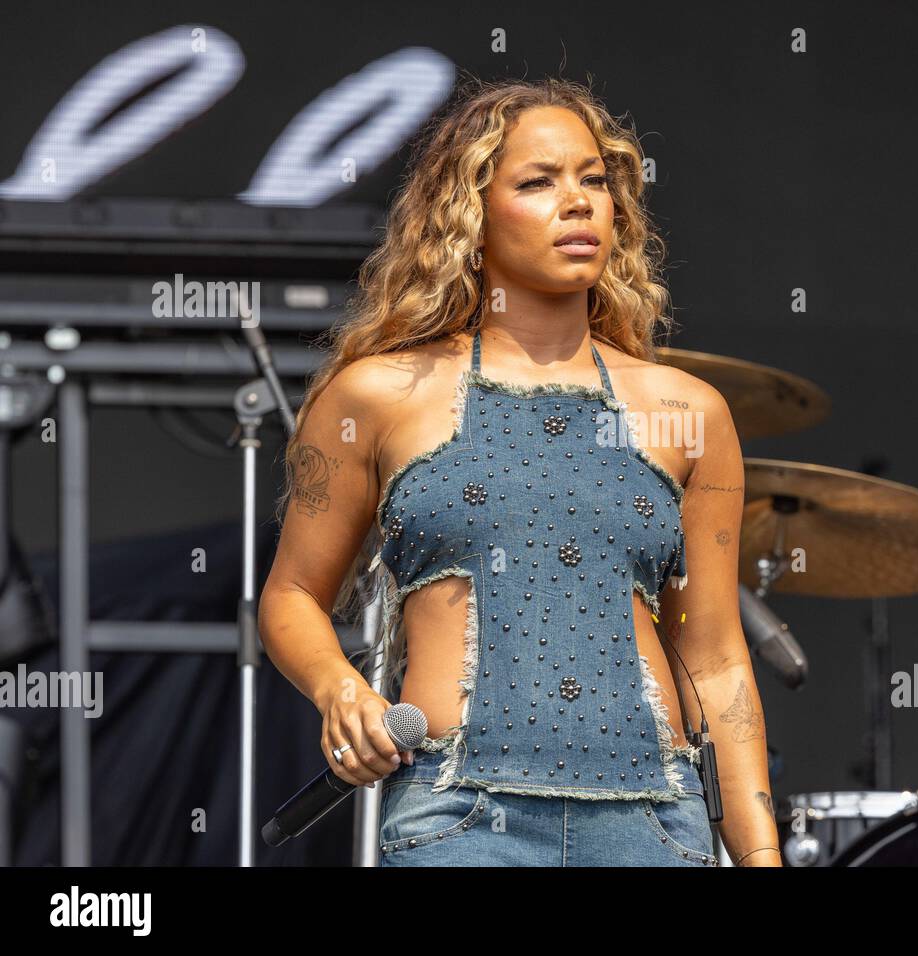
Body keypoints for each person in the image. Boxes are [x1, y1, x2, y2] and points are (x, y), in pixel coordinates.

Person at [259, 76, 780, 867]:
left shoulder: (691, 411)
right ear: (469, 216)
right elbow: (292, 595)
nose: (578, 203)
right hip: (460, 819)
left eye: (594, 180)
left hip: (653, 822)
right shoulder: (377, 393)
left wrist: (763, 858)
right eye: (538, 182)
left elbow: (712, 656)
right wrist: (342, 691)